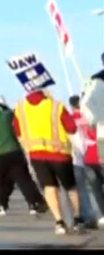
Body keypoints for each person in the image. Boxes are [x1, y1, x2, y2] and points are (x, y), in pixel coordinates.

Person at [14, 88, 85, 234]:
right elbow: (71, 128)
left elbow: (18, 131)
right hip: (60, 154)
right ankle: (78, 219)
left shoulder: (20, 108)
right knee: (70, 187)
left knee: (49, 187)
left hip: (36, 155)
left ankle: (59, 222)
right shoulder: (56, 106)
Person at [0, 96, 46, 216]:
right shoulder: (5, 115)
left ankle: (1, 205)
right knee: (24, 180)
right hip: (14, 151)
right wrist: (2, 105)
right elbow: (13, 112)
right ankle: (33, 203)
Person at [69, 96, 104, 227]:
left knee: (92, 188)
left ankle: (93, 215)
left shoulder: (72, 119)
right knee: (94, 187)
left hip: (83, 157)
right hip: (96, 154)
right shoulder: (95, 115)